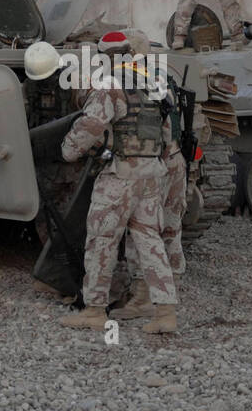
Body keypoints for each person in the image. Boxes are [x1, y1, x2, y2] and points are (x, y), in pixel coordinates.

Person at [58, 31, 177, 334]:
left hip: (120, 175)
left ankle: (95, 311)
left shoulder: (109, 86)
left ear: (106, 57)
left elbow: (91, 125)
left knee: (101, 241)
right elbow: (165, 135)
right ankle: (164, 313)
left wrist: (68, 150)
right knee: (150, 240)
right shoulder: (154, 85)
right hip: (152, 173)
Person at [112, 32, 209, 320]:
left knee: (140, 228)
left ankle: (141, 296)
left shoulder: (130, 80)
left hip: (151, 163)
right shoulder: (164, 78)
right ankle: (171, 285)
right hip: (176, 158)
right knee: (170, 224)